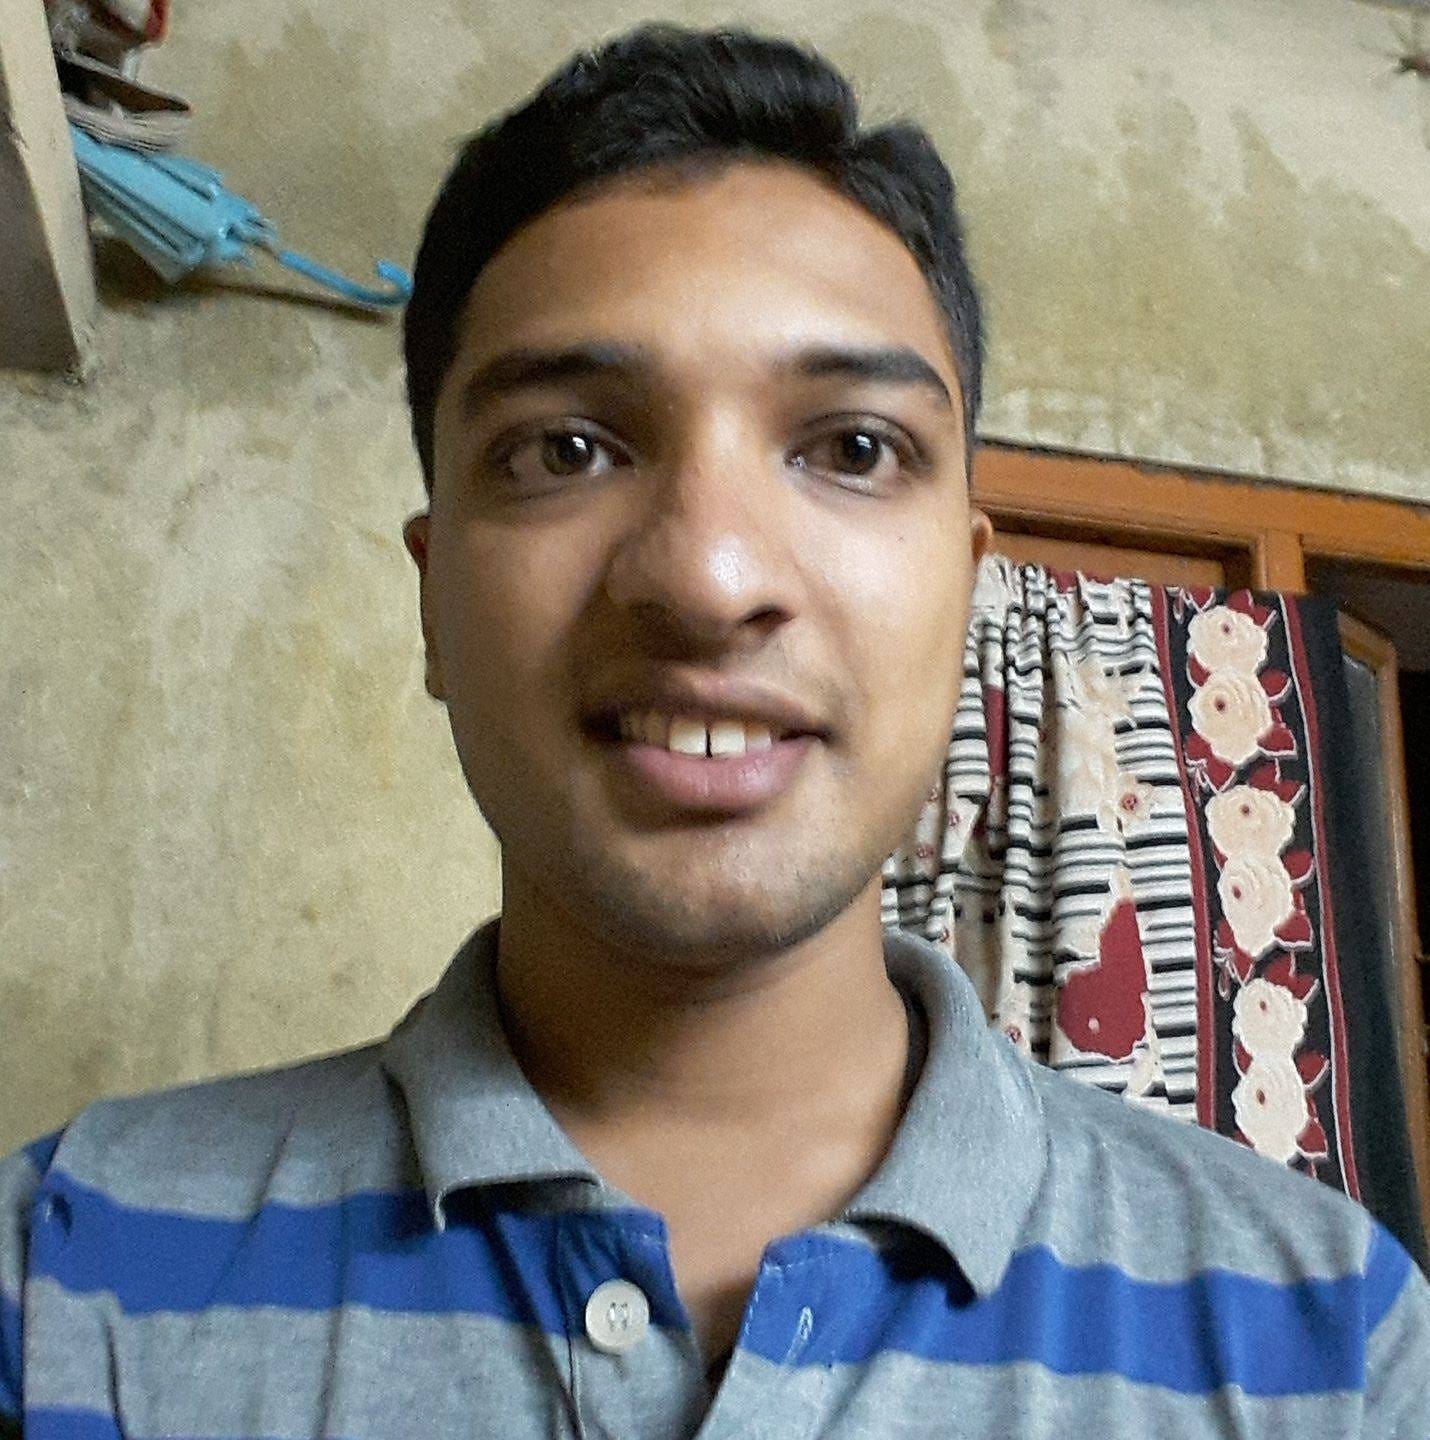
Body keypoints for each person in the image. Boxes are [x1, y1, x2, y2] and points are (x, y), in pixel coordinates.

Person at [2, 21, 1426, 1440]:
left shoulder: (1334, 1344)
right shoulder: (58, 1284)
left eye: (852, 448)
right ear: (434, 603)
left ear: (965, 591)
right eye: (566, 449)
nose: (707, 574)